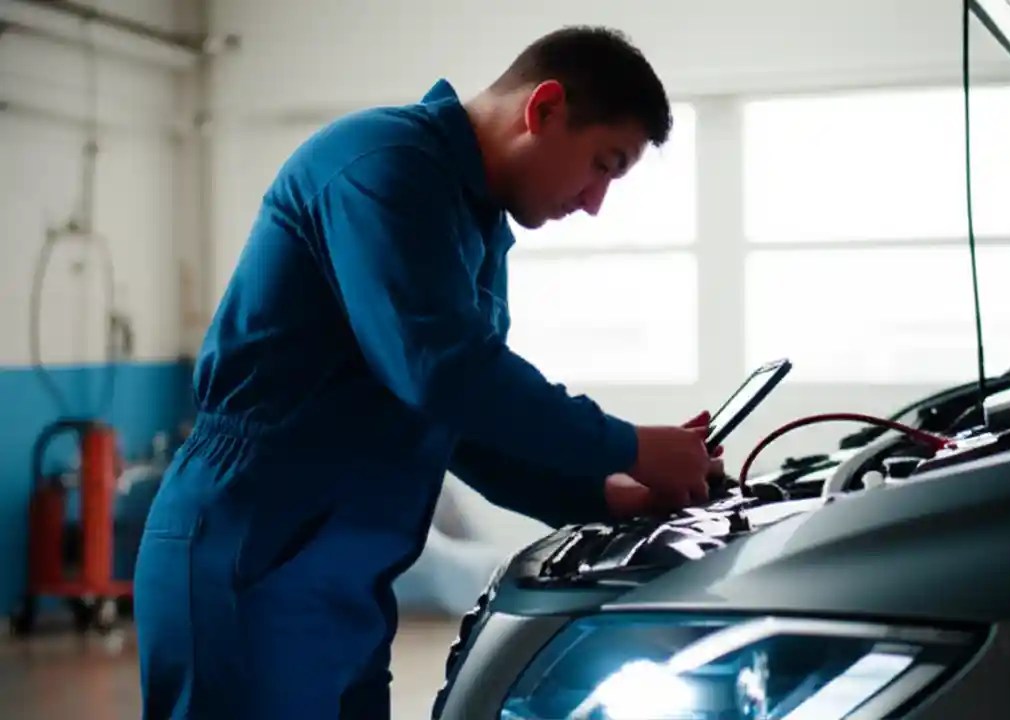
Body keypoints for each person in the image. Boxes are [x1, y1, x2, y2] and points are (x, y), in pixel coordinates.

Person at [134, 25, 721, 719]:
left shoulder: (472, 222)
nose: (595, 201)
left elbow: (457, 424)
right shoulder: (384, 166)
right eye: (604, 163)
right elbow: (443, 372)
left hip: (344, 580)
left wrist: (603, 492)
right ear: (545, 109)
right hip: (253, 551)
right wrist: (632, 444)